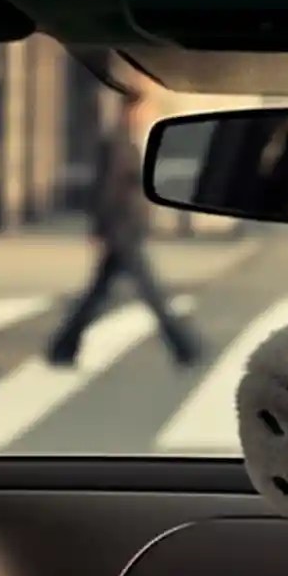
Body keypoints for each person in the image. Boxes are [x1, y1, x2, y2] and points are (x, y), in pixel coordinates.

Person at [46, 88, 203, 367]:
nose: (148, 116)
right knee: (151, 294)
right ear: (130, 110)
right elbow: (107, 189)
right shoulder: (117, 142)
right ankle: (184, 347)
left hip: (124, 230)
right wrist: (100, 229)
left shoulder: (126, 140)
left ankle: (63, 347)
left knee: (99, 296)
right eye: (144, 110)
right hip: (122, 232)